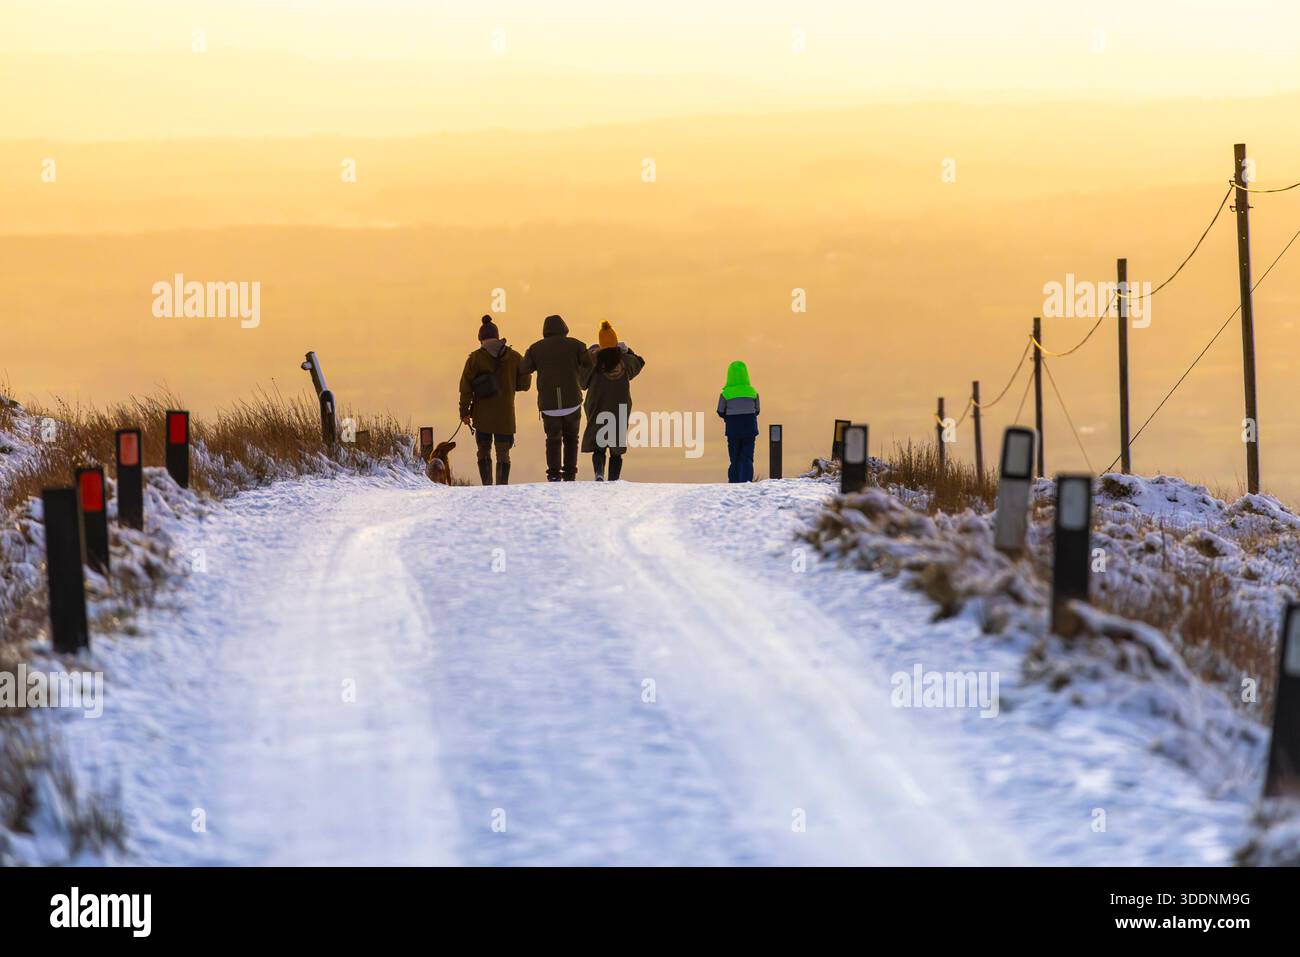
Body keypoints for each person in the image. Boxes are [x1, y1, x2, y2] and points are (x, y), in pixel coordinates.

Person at [519, 314, 593, 481]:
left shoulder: (535, 348)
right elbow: (589, 362)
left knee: (553, 439)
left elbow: (524, 369)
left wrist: (528, 355)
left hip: (549, 403)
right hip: (572, 401)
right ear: (564, 328)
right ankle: (570, 473)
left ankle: (553, 474)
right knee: (571, 438)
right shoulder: (576, 345)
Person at [458, 315, 531, 485]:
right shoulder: (514, 356)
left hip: (482, 415)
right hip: (505, 415)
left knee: (483, 451)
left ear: (481, 339)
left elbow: (465, 388)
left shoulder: (475, 358)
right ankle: (501, 488)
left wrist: (464, 412)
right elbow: (525, 383)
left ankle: (487, 487)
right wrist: (511, 384)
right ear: (497, 337)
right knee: (503, 454)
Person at [580, 320, 645, 481]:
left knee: (599, 445)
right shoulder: (625, 361)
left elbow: (582, 383)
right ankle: (613, 480)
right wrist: (627, 350)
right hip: (620, 407)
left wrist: (590, 353)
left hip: (597, 405)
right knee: (616, 448)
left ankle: (599, 473)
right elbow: (640, 361)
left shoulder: (594, 362)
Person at [717, 360, 760, 483]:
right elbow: (757, 410)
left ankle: (734, 483)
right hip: (749, 428)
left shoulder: (726, 394)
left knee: (734, 458)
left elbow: (720, 411)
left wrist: (728, 417)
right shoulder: (752, 392)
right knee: (747, 457)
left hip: (733, 429)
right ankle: (746, 482)